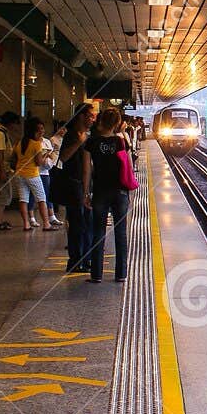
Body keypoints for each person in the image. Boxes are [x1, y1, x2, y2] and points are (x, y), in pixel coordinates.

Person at [81, 107, 135, 283]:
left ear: (101, 121)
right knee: (121, 232)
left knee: (98, 232)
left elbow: (87, 170)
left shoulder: (91, 142)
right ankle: (121, 274)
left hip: (100, 192)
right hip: (120, 192)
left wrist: (85, 193)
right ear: (118, 123)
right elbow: (129, 168)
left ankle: (96, 275)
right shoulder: (121, 142)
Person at [54, 105, 95, 273]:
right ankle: (77, 259)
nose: (93, 119)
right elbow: (63, 158)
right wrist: (78, 143)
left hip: (81, 186)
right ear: (81, 116)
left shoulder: (86, 135)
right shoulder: (73, 135)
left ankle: (82, 259)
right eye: (90, 116)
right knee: (79, 225)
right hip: (74, 186)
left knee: (84, 224)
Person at [12, 116, 54, 231]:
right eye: (39, 129)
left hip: (19, 174)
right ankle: (46, 224)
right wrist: (46, 154)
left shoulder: (19, 143)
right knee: (41, 199)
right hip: (32, 174)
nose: (42, 131)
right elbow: (39, 162)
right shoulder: (36, 144)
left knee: (23, 199)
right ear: (33, 130)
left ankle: (26, 224)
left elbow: (15, 158)